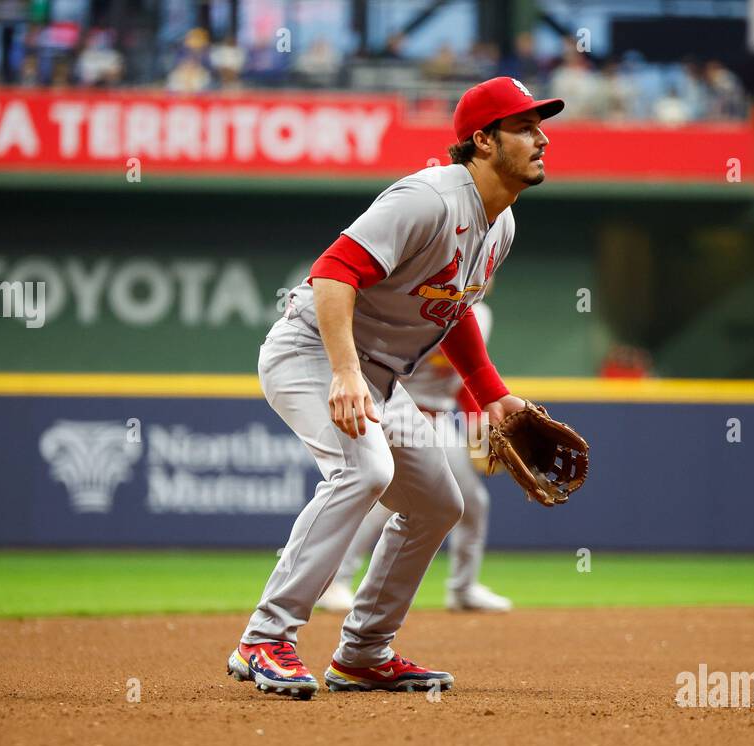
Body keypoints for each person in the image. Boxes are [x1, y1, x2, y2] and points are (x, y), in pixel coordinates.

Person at [228, 77, 563, 698]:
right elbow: (333, 271)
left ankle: (363, 653)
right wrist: (345, 372)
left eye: (539, 125)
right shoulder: (429, 199)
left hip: (381, 376)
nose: (542, 137)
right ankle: (266, 637)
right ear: (483, 140)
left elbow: (452, 307)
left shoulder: (502, 224)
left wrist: (493, 396)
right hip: (312, 353)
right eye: (524, 127)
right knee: (364, 472)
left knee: (438, 502)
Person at [317, 285, 512, 615]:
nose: (485, 276)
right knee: (384, 505)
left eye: (490, 271)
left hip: (440, 418)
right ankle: (335, 583)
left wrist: (479, 428)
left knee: (473, 502)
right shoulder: (422, 308)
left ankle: (463, 589)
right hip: (400, 409)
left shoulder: (481, 315)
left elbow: (465, 379)